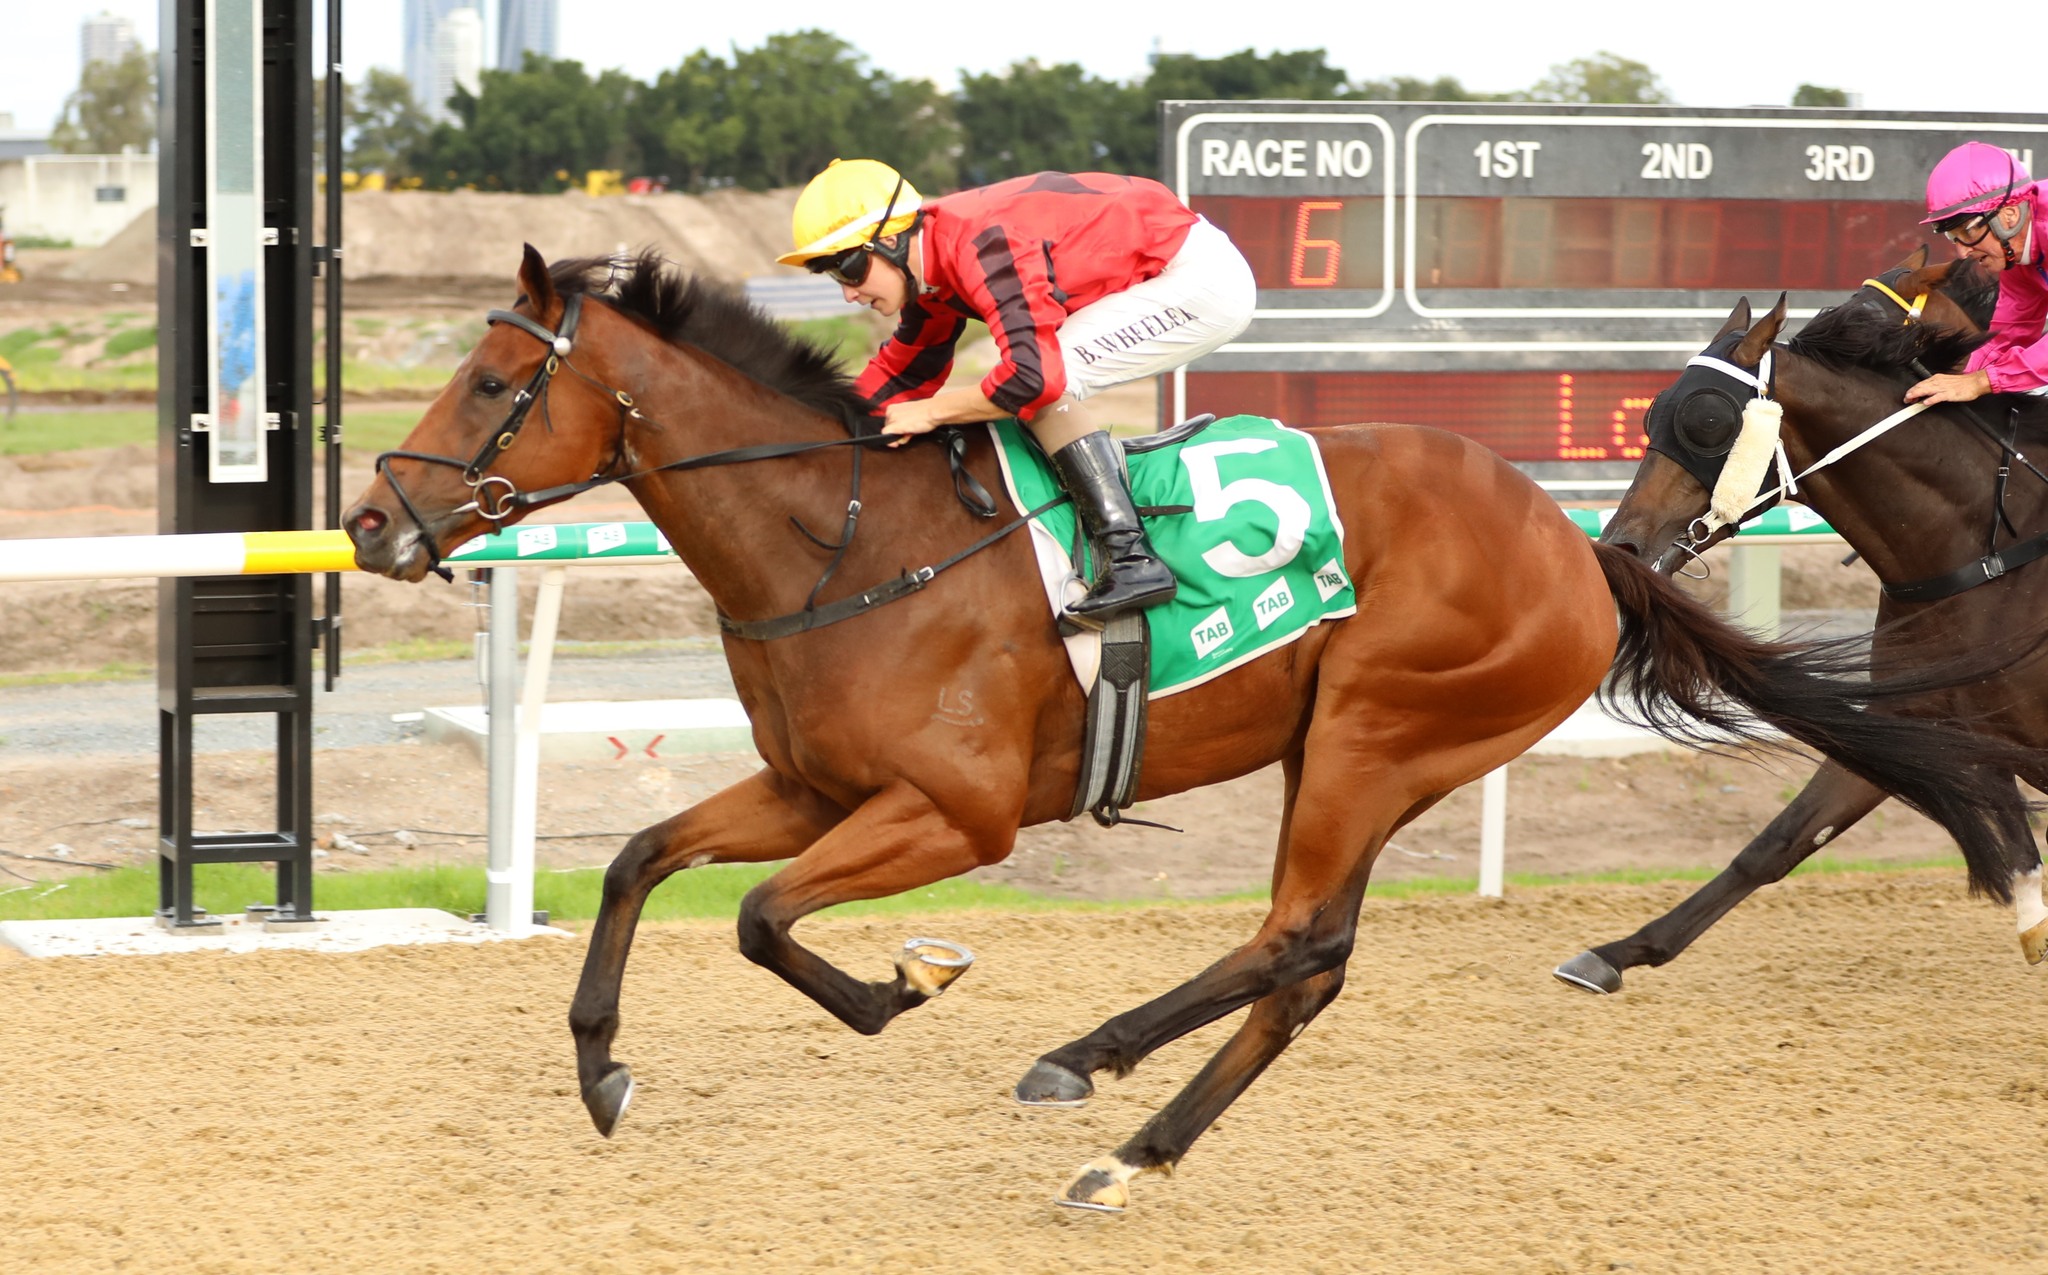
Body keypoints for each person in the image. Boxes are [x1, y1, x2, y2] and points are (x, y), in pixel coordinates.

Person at [776, 159, 1256, 622]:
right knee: (1030, 380)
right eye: (834, 275)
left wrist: (934, 413)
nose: (848, 292)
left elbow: (1032, 379)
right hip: (1160, 264)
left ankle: (1131, 559)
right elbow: (902, 376)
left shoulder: (981, 244)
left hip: (1198, 281)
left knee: (1046, 378)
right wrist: (811, 434)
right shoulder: (932, 271)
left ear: (893, 240)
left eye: (850, 268)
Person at [1906, 142, 2048, 406]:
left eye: (1968, 233)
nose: (1962, 253)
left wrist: (1980, 382)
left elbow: (1988, 378)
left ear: (2009, 215)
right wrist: (1956, 383)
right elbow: (2007, 336)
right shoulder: (2016, 257)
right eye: (1953, 237)